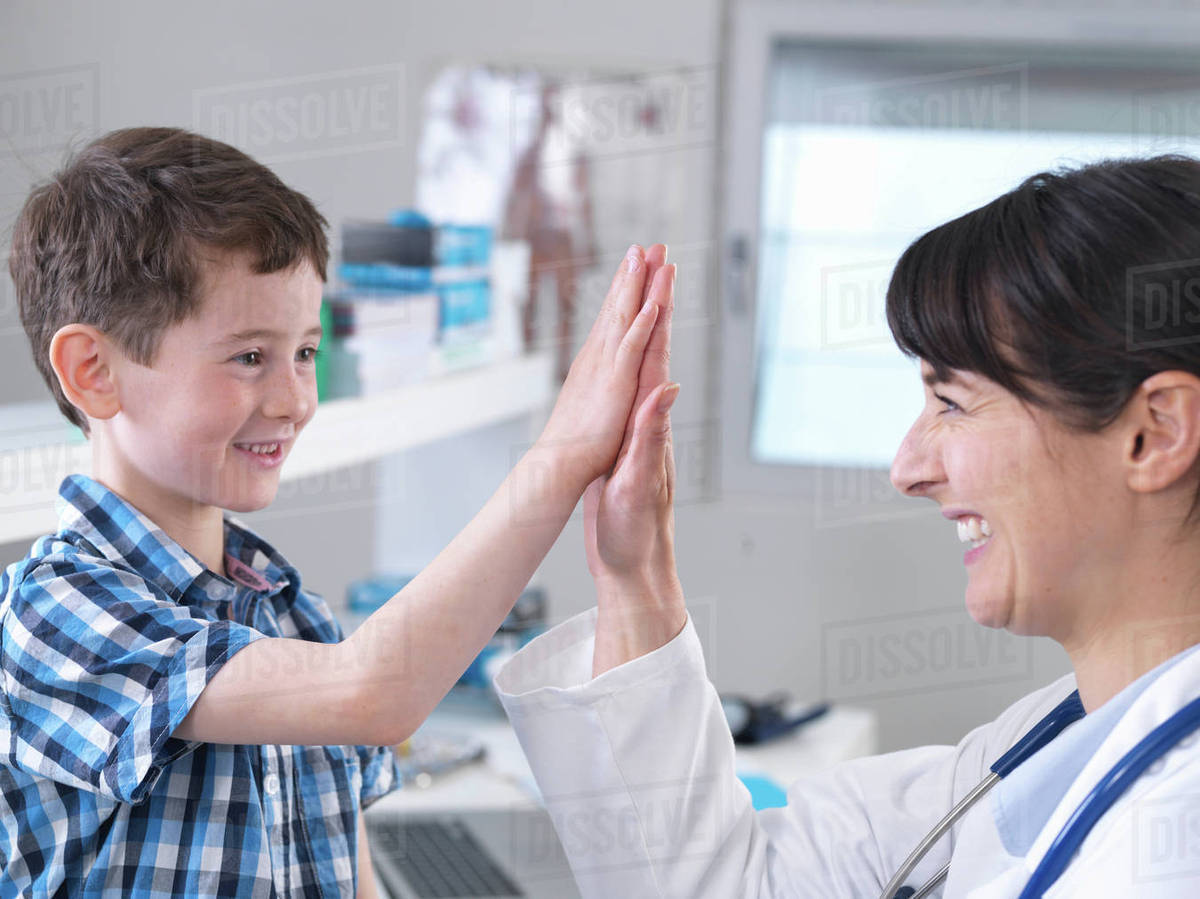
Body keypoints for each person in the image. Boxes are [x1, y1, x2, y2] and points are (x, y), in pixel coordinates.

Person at [492, 154, 1200, 896]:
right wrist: (634, 572)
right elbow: (731, 887)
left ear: (1153, 433)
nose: (908, 467)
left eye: (952, 403)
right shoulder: (1049, 737)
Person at [0, 126, 677, 897]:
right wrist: (560, 458)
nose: (295, 400)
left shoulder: (296, 621)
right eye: (250, 356)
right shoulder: (53, 616)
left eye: (305, 351)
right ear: (93, 372)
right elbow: (374, 692)